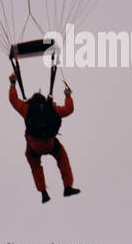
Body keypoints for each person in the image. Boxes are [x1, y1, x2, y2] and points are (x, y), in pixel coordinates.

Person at [8, 73, 80, 203]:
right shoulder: (52, 108)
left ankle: (43, 192)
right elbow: (69, 109)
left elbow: (13, 100)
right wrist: (68, 96)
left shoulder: (26, 109)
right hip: (50, 144)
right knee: (62, 158)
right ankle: (68, 186)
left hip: (34, 147)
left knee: (35, 166)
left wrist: (13, 84)